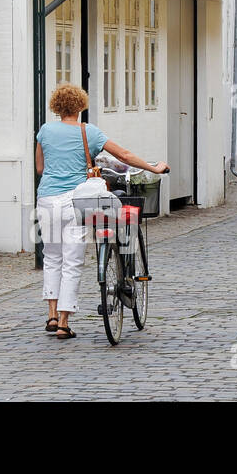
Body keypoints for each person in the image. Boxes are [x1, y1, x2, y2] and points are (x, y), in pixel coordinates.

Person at [35, 84, 168, 340]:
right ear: (80, 105)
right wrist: (154, 168)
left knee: (51, 257)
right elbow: (124, 155)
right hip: (76, 200)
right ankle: (64, 321)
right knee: (72, 261)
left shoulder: (45, 131)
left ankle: (51, 314)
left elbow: (41, 168)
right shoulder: (89, 132)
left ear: (56, 106)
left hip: (47, 199)